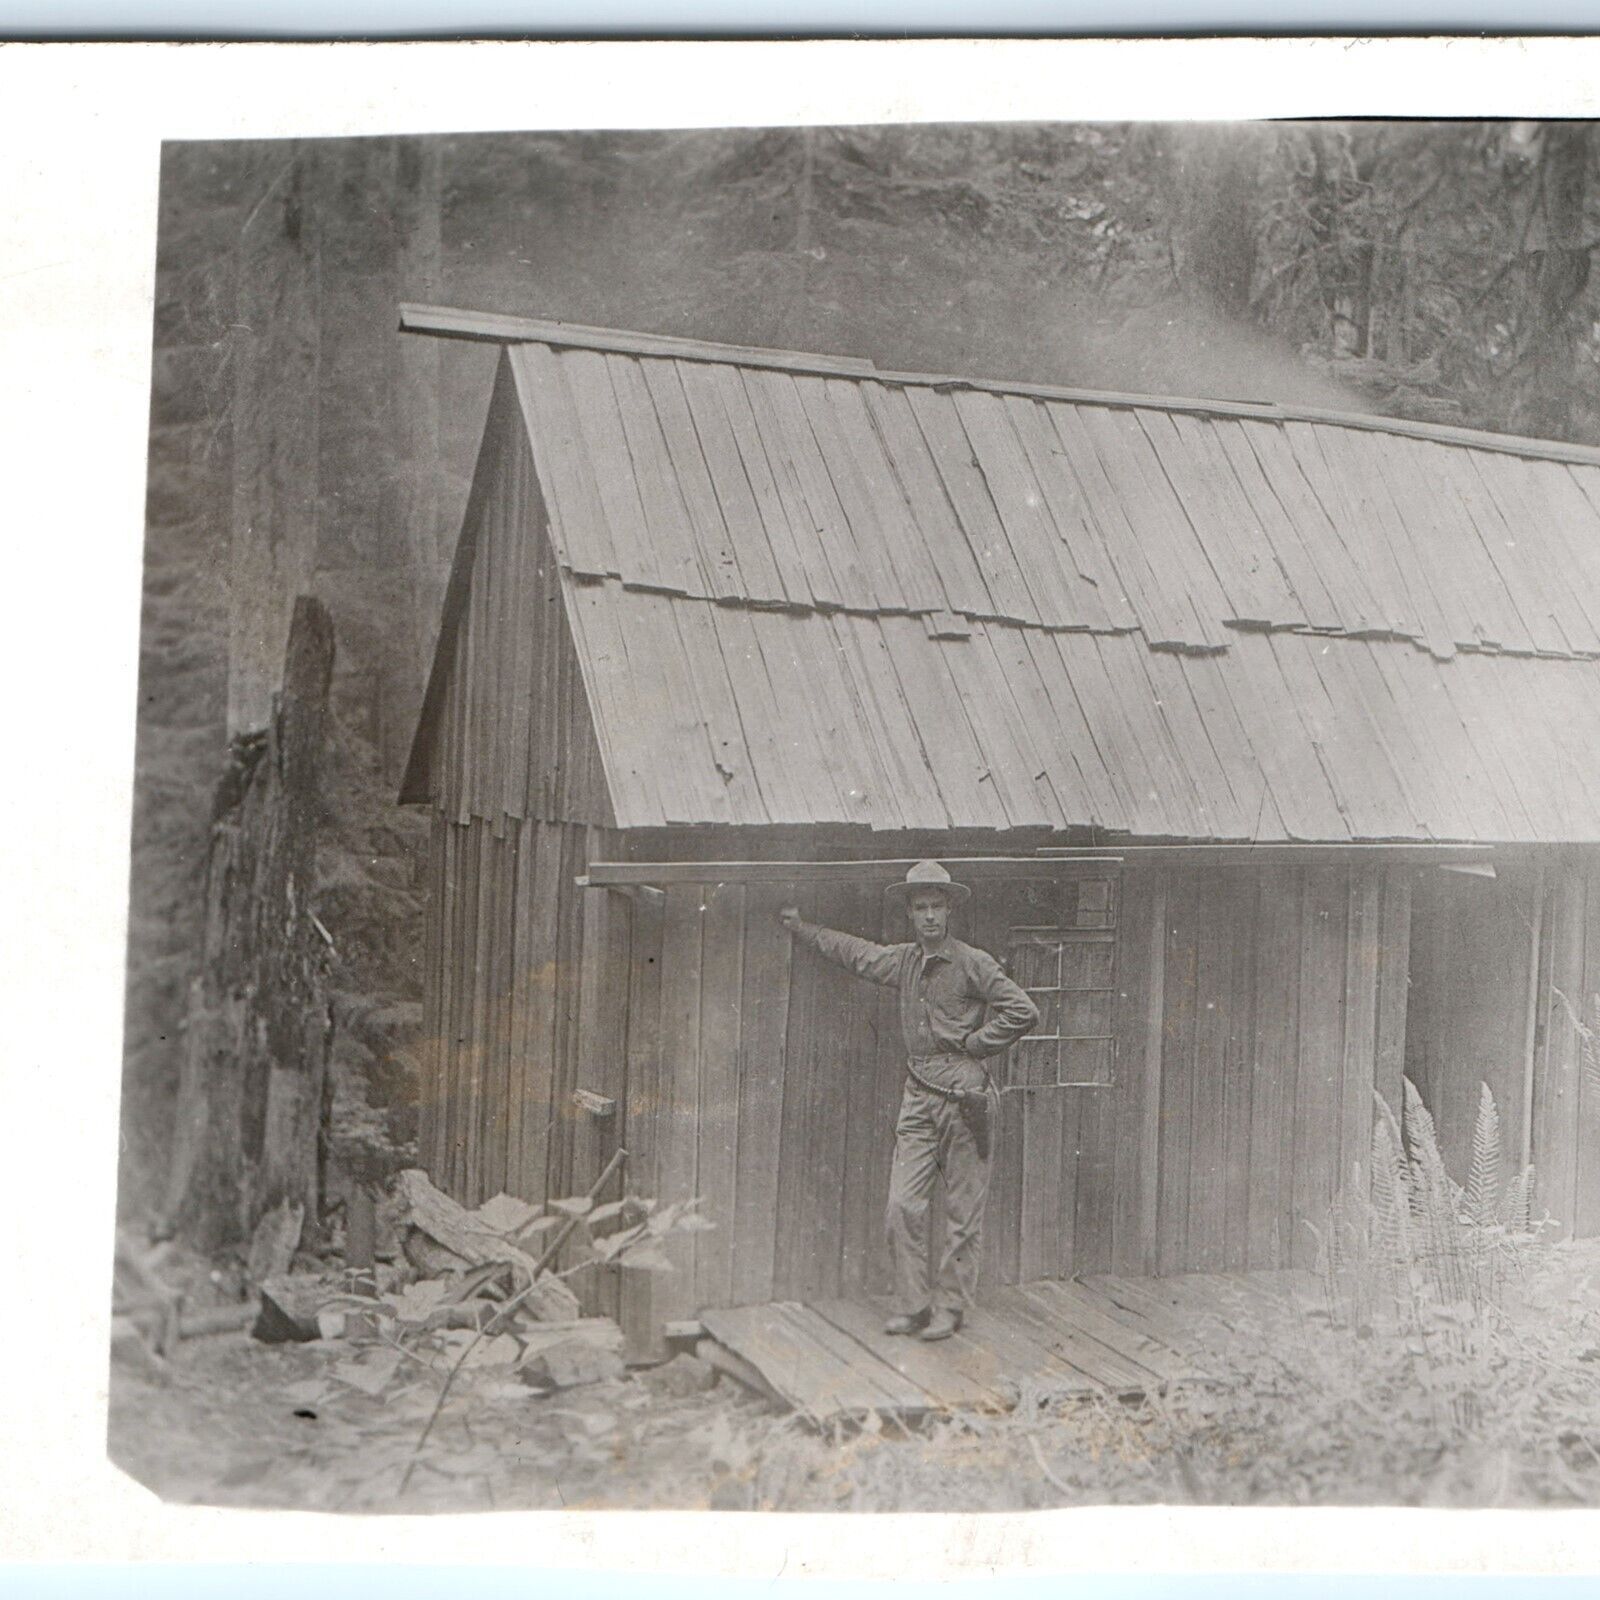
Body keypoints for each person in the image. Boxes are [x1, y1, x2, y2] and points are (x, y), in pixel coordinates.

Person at [778, 861, 1039, 1342]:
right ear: (911, 915)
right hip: (918, 1098)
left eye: (937, 906)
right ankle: (916, 1305)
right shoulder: (904, 961)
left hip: (967, 1099)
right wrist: (802, 929)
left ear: (950, 910)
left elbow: (1023, 1010)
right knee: (903, 1206)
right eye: (921, 908)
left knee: (963, 1215)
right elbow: (855, 953)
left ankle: (952, 1309)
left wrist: (978, 1045)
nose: (930, 917)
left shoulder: (973, 962)